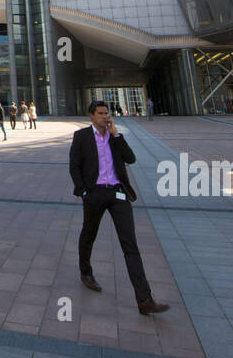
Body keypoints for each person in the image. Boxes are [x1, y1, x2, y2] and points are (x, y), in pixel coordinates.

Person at [69, 100, 169, 315]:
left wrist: (117, 135)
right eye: (101, 113)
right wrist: (84, 192)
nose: (105, 117)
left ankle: (144, 299)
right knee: (89, 234)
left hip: (117, 193)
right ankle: (85, 271)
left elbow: (130, 159)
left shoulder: (115, 137)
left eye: (107, 113)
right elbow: (74, 165)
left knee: (130, 244)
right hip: (95, 193)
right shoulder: (82, 137)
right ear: (91, 116)